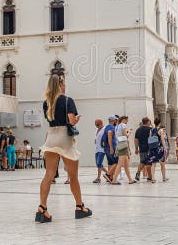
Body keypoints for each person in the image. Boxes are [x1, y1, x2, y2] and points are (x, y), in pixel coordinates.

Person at [35, 74, 91, 222]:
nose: (65, 85)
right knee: (73, 176)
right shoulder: (68, 100)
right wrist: (77, 119)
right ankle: (80, 207)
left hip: (51, 138)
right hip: (65, 138)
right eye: (64, 83)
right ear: (60, 84)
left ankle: (42, 208)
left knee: (49, 175)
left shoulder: (46, 102)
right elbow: (71, 121)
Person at [113, 116, 135, 184]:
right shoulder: (123, 125)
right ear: (124, 120)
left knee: (126, 165)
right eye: (127, 120)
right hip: (123, 145)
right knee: (120, 164)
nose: (127, 122)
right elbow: (126, 135)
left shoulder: (117, 126)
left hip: (119, 145)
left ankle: (130, 180)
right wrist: (130, 132)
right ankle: (114, 180)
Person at [134, 118, 154, 182]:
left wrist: (136, 148)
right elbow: (153, 139)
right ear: (148, 122)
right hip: (149, 148)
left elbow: (136, 140)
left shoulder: (138, 130)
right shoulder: (150, 129)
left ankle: (138, 172)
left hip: (141, 148)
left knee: (142, 161)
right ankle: (150, 177)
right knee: (149, 162)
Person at [102, 116, 119, 184]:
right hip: (111, 148)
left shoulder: (106, 127)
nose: (117, 122)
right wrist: (111, 147)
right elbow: (109, 135)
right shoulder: (111, 127)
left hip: (106, 148)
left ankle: (110, 178)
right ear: (114, 120)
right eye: (116, 120)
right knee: (117, 162)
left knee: (110, 163)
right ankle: (108, 174)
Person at [93, 119, 108, 183]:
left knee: (99, 163)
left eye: (97, 124)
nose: (96, 126)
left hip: (102, 149)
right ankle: (109, 174)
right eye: (96, 125)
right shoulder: (97, 129)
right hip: (97, 149)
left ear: (101, 123)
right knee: (98, 164)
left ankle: (98, 178)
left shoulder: (105, 129)